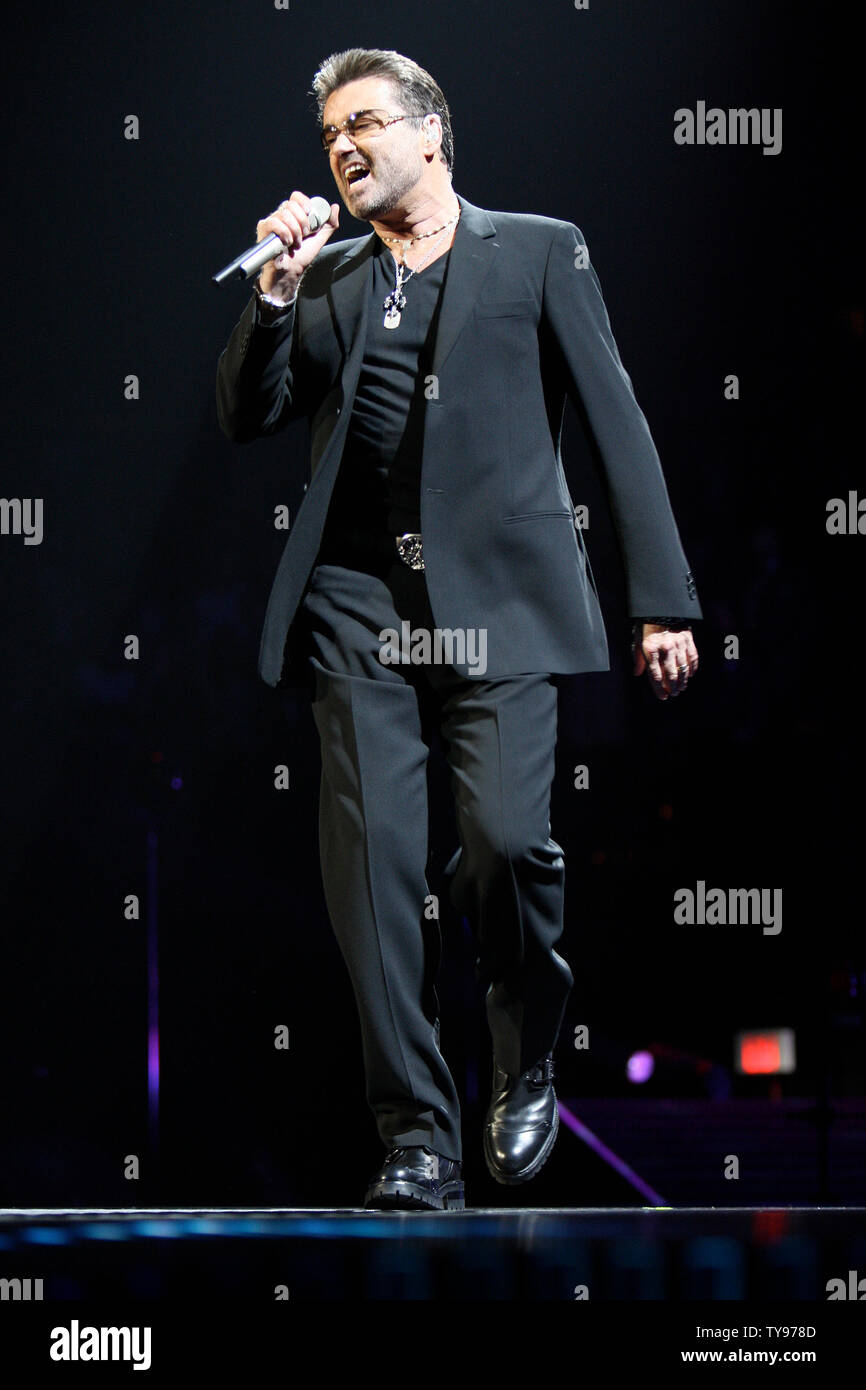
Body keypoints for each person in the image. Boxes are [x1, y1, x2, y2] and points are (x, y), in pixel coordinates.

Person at [216, 47, 701, 1211]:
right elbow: (249, 413)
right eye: (330, 130)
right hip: (358, 607)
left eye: (365, 121)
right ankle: (416, 1142)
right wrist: (271, 293)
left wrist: (662, 599)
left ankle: (526, 1048)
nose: (343, 145)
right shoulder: (326, 275)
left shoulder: (536, 248)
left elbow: (615, 420)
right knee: (375, 876)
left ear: (431, 133)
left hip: (502, 605)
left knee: (503, 843)